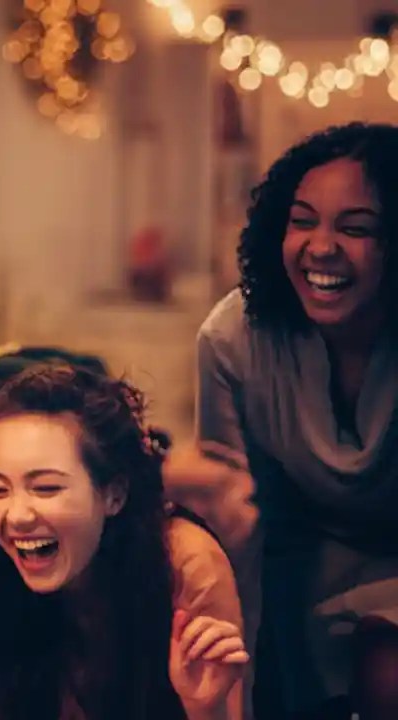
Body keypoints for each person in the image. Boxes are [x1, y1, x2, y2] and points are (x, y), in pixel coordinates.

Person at [195, 122, 398, 716]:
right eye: (302, 221)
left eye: (355, 228)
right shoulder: (233, 339)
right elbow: (235, 522)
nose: (321, 246)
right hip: (303, 566)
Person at [0, 364, 246, 720]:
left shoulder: (183, 562)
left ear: (114, 494)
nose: (16, 516)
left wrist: (204, 708)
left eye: (46, 488)